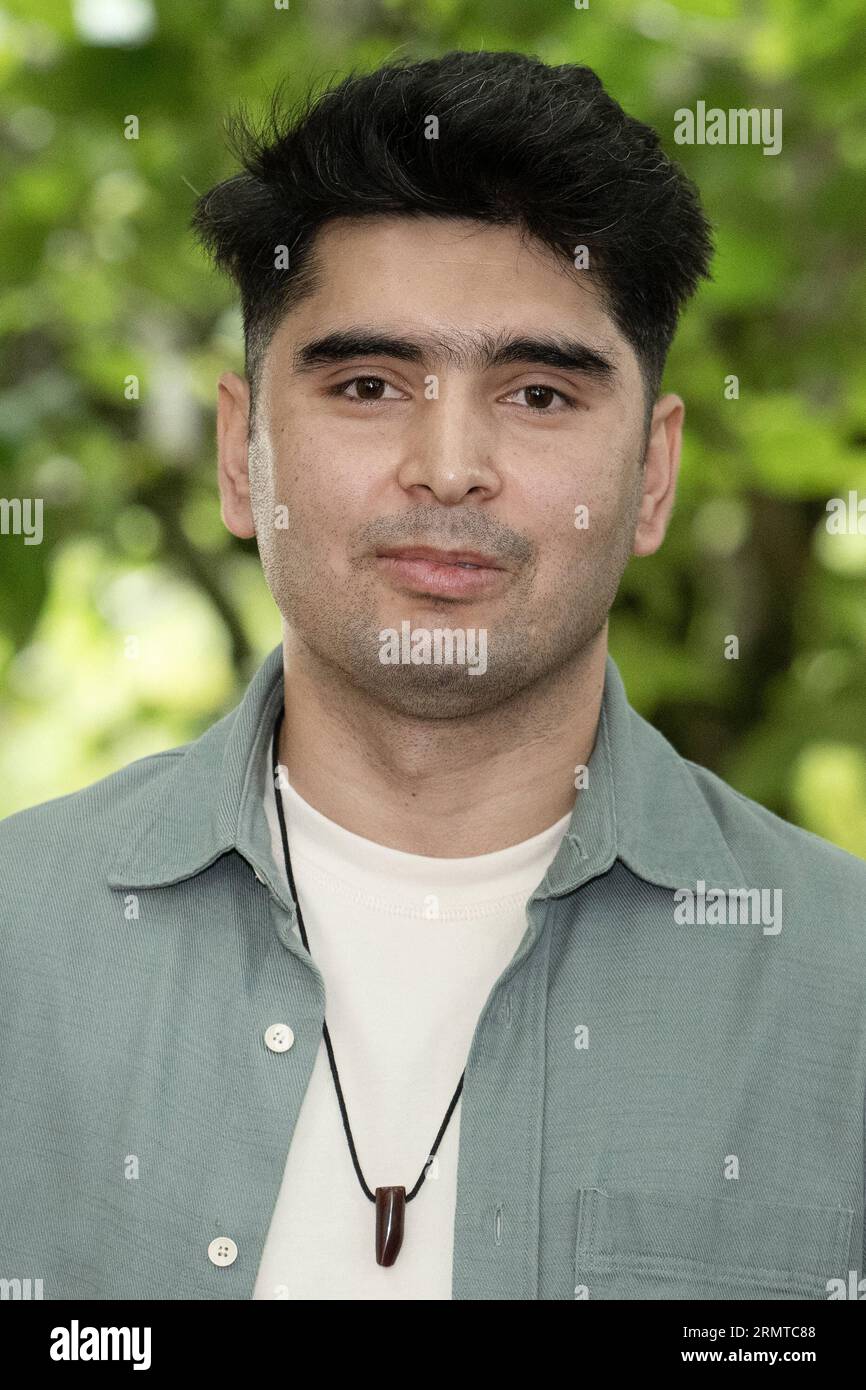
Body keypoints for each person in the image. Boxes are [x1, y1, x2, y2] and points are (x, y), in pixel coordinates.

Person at [1, 49, 863, 1303]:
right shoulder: (19, 943)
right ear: (243, 457)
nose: (448, 465)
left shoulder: (837, 988)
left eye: (536, 391)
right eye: (365, 383)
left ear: (653, 479)